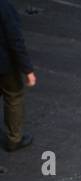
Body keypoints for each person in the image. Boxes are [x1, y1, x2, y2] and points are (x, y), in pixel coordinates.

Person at [0, 0, 35, 152]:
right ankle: (14, 138)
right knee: (14, 96)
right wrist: (27, 69)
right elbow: (15, 40)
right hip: (3, 64)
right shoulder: (4, 7)